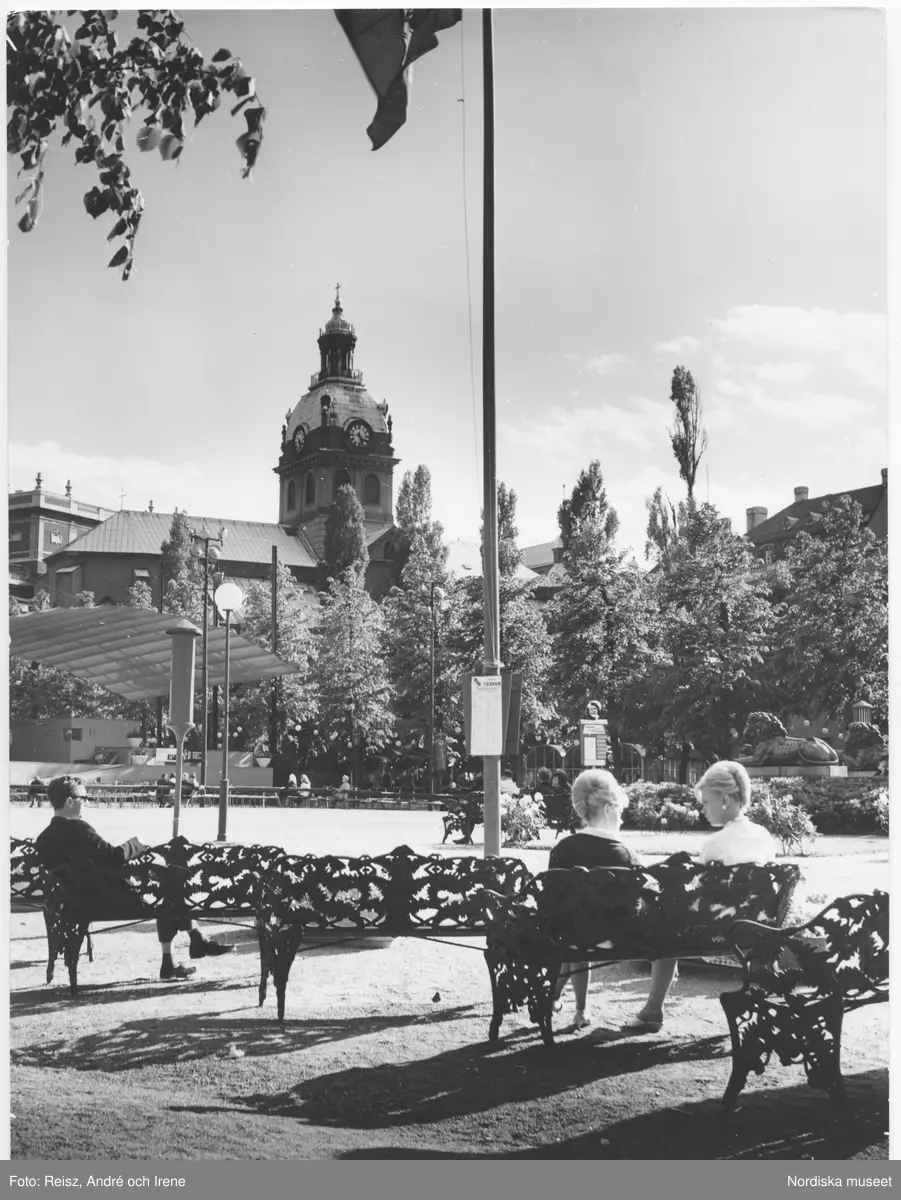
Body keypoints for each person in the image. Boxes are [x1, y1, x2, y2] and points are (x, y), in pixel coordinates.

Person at [622, 760, 776, 1035]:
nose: (703, 809)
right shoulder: (764, 835)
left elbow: (697, 892)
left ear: (725, 800)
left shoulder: (715, 843)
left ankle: (653, 1009)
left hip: (716, 931)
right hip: (758, 926)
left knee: (664, 922)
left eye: (706, 802)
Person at [35, 775, 234, 981]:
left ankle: (185, 949)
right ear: (69, 801)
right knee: (167, 892)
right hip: (100, 901)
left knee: (166, 892)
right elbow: (114, 857)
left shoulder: (43, 838)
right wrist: (136, 844)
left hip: (69, 902)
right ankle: (187, 947)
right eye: (83, 798)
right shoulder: (78, 829)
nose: (85, 802)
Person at [549, 769, 639, 1031]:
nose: (622, 817)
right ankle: (577, 1009)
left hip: (572, 934)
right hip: (613, 937)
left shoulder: (563, 849)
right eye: (621, 811)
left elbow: (554, 901)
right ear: (610, 809)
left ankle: (566, 1003)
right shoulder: (627, 854)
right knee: (584, 929)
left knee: (577, 929)